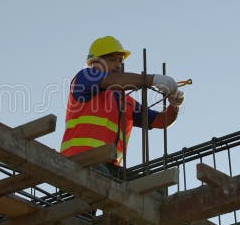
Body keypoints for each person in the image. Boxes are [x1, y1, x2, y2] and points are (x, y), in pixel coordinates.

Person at [60, 36, 184, 180]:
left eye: (120, 60)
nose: (118, 65)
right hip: (78, 160)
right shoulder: (84, 77)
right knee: (103, 180)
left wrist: (174, 105)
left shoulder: (125, 101)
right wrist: (151, 79)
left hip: (111, 167)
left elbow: (161, 121)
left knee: (151, 190)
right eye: (113, 59)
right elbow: (113, 81)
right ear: (95, 62)